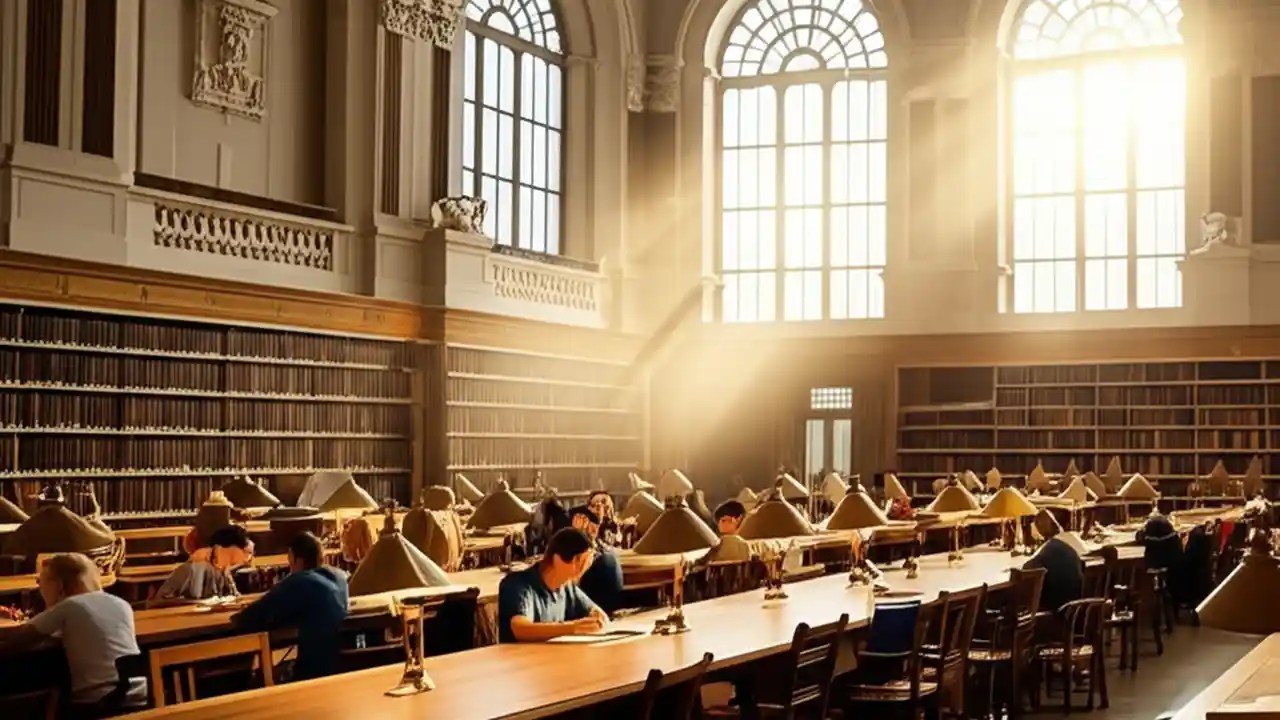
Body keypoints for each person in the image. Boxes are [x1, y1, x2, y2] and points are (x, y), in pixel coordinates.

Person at [0, 554, 147, 711]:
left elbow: (20, 638)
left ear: (60, 586)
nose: (38, 587)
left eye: (40, 581)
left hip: (100, 700)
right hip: (140, 693)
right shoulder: (122, 604)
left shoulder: (70, 606)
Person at [232, 532, 348, 681]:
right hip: (339, 665)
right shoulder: (339, 577)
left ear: (295, 559)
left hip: (312, 671)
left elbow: (253, 616)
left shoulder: (300, 581)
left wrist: (236, 618)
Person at [498, 528, 607, 642]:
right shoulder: (518, 585)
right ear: (557, 559)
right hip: (519, 658)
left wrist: (597, 619)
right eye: (579, 561)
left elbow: (595, 611)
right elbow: (520, 629)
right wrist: (572, 628)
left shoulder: (567, 588)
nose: (582, 569)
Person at [152, 525, 253, 606]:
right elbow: (158, 602)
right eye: (247, 552)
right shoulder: (192, 568)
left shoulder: (223, 569)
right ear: (229, 548)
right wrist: (200, 603)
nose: (247, 558)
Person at [568, 505, 624, 614]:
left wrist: (575, 535)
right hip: (606, 610)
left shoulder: (586, 555)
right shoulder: (606, 551)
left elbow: (569, 586)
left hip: (590, 612)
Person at [1023, 510, 1082, 612]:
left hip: (1055, 613)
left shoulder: (1047, 550)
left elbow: (1026, 569)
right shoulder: (1070, 543)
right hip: (1075, 610)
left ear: (1039, 531)